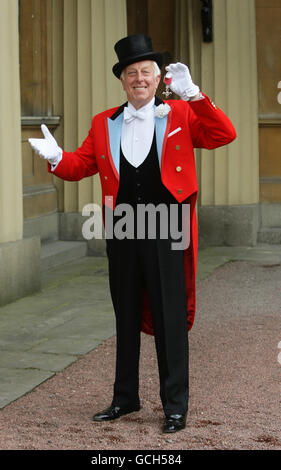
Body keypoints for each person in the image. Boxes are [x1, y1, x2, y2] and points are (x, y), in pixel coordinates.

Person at [28, 34, 236, 434]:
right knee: (124, 315)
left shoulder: (180, 112)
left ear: (159, 79)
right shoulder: (103, 121)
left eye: (146, 72)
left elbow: (223, 134)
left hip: (168, 226)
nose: (138, 79)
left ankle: (175, 406)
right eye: (131, 73)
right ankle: (125, 398)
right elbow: (80, 165)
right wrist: (56, 157)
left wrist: (194, 95)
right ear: (122, 80)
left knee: (169, 318)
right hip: (122, 227)